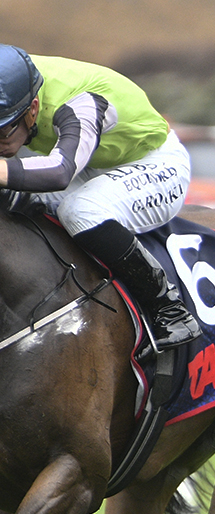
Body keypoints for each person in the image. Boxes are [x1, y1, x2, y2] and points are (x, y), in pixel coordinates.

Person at [0, 44, 199, 350]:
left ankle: (169, 309)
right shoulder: (12, 81)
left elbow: (59, 172)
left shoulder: (80, 103)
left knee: (80, 210)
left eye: (2, 132)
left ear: (33, 108)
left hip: (153, 163)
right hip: (92, 160)